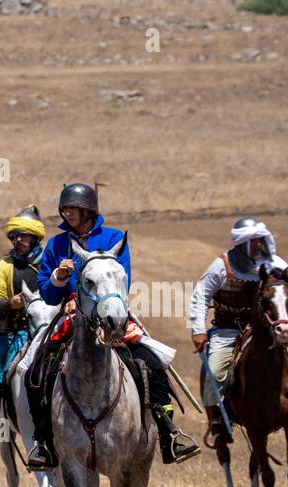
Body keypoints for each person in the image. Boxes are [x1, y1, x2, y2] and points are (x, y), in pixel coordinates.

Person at [25, 183, 199, 469]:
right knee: (36, 369)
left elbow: (122, 281)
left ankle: (168, 431)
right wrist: (59, 277)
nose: (66, 212)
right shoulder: (57, 245)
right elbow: (46, 292)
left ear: (88, 210)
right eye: (64, 208)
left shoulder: (114, 238)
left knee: (153, 364)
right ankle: (44, 442)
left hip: (112, 316)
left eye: (72, 208)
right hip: (71, 319)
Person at [188, 217, 288, 447]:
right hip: (228, 330)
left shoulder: (275, 263)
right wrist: (198, 330)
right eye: (253, 241)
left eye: (260, 240)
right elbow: (200, 297)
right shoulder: (222, 266)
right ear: (241, 243)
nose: (258, 245)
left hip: (269, 329)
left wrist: (284, 321)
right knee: (214, 372)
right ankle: (216, 422)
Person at [0, 205, 47, 435]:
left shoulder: (49, 262)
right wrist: (8, 304)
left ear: (34, 237)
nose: (17, 240)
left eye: (22, 235)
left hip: (46, 327)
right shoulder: (5, 265)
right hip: (15, 330)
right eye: (14, 236)